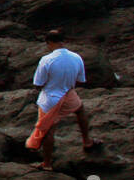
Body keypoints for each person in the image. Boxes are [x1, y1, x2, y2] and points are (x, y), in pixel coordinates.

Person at [26, 29, 101, 169]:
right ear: (63, 41)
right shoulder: (76, 57)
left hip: (51, 98)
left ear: (49, 42)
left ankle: (47, 163)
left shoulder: (46, 60)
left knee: (48, 129)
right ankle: (87, 141)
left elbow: (38, 83)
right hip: (69, 93)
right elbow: (81, 79)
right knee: (80, 111)